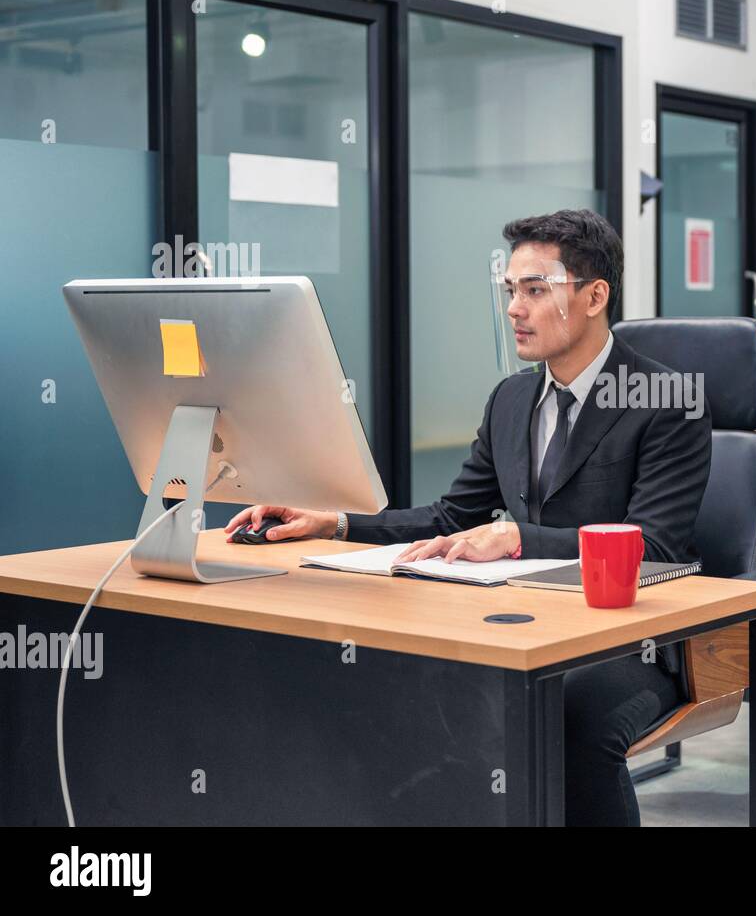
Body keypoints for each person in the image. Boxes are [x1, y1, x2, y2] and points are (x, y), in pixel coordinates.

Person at [224, 208, 712, 826]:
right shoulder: (511, 399)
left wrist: (515, 539)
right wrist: (335, 522)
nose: (514, 308)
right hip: (525, 620)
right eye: (511, 290)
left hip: (630, 638)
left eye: (536, 290)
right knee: (415, 686)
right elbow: (452, 514)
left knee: (570, 715)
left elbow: (659, 548)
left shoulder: (666, 399)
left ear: (595, 296)